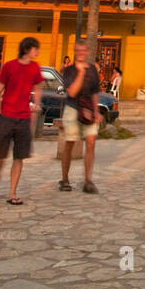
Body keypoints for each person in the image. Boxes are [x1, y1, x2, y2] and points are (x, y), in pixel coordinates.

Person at [0, 37, 44, 205]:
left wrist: (36, 104)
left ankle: (12, 193)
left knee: (19, 157)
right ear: (27, 49)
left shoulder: (35, 68)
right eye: (35, 48)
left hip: (23, 118)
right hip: (7, 116)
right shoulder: (9, 66)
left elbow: (38, 88)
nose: (38, 52)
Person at [58, 42, 101, 194]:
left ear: (87, 51)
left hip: (88, 109)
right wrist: (81, 73)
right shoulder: (69, 70)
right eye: (78, 51)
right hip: (73, 108)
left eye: (83, 50)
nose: (81, 53)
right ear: (75, 52)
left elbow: (95, 92)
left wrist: (96, 110)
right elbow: (71, 92)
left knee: (91, 142)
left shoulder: (93, 70)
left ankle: (88, 180)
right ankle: (65, 179)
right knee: (69, 143)